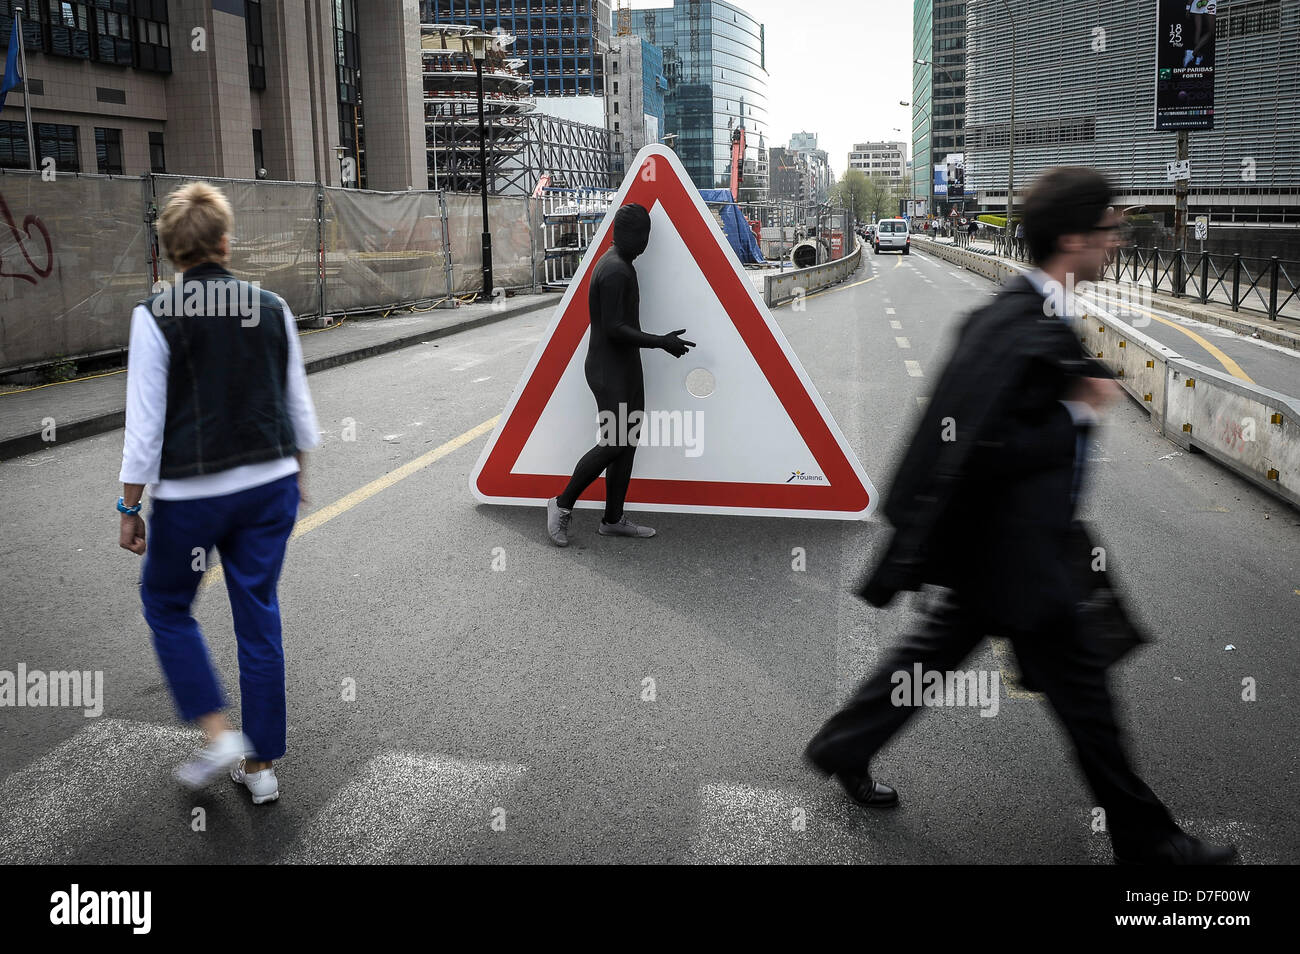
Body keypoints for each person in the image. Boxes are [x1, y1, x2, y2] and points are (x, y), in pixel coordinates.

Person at [804, 166, 1237, 866]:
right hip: (1018, 551)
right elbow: (981, 443)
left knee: (934, 658)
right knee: (1085, 701)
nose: (1117, 242)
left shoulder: (1027, 313)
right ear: (1072, 238)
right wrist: (1075, 411)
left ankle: (842, 744)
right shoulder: (1017, 321)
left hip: (1011, 547)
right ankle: (1152, 843)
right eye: (1107, 230)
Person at [118, 182, 319, 805]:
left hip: (192, 494)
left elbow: (145, 429)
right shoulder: (272, 307)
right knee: (258, 615)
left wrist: (130, 507)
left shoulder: (155, 316)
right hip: (270, 485)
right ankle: (259, 768)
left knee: (167, 605)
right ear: (226, 242)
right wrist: (297, 478)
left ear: (172, 254)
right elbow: (298, 408)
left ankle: (217, 731)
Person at [547, 203, 694, 546]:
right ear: (632, 235)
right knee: (615, 442)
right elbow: (614, 328)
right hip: (607, 369)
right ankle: (561, 503)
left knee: (626, 445)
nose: (646, 242)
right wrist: (661, 342)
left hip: (624, 368)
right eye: (644, 235)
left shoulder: (621, 265)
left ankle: (612, 519)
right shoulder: (615, 270)